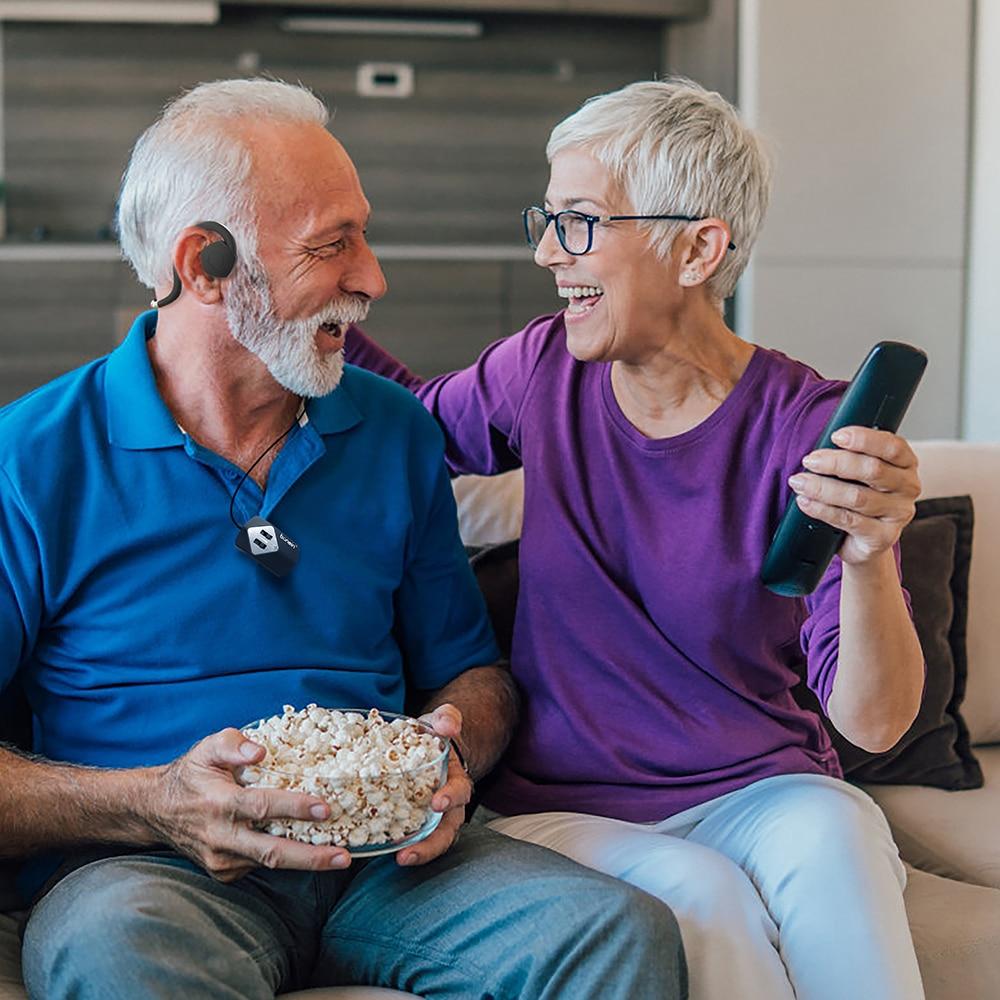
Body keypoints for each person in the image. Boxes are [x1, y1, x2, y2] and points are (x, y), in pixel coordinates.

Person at [0, 79, 688, 1000]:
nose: (372, 279)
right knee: (118, 950)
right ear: (204, 264)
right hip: (154, 874)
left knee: (611, 932)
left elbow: (472, 674)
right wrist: (155, 804)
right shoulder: (30, 458)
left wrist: (454, 750)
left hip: (392, 866)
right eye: (332, 245)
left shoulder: (394, 431)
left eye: (363, 236)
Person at [346, 78, 927, 1000]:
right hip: (562, 806)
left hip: (759, 789)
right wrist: (310, 306)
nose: (546, 252)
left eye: (577, 221)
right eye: (547, 218)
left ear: (697, 248)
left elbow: (874, 724)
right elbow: (408, 425)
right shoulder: (542, 371)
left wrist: (867, 556)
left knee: (837, 832)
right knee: (705, 898)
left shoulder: (804, 427)